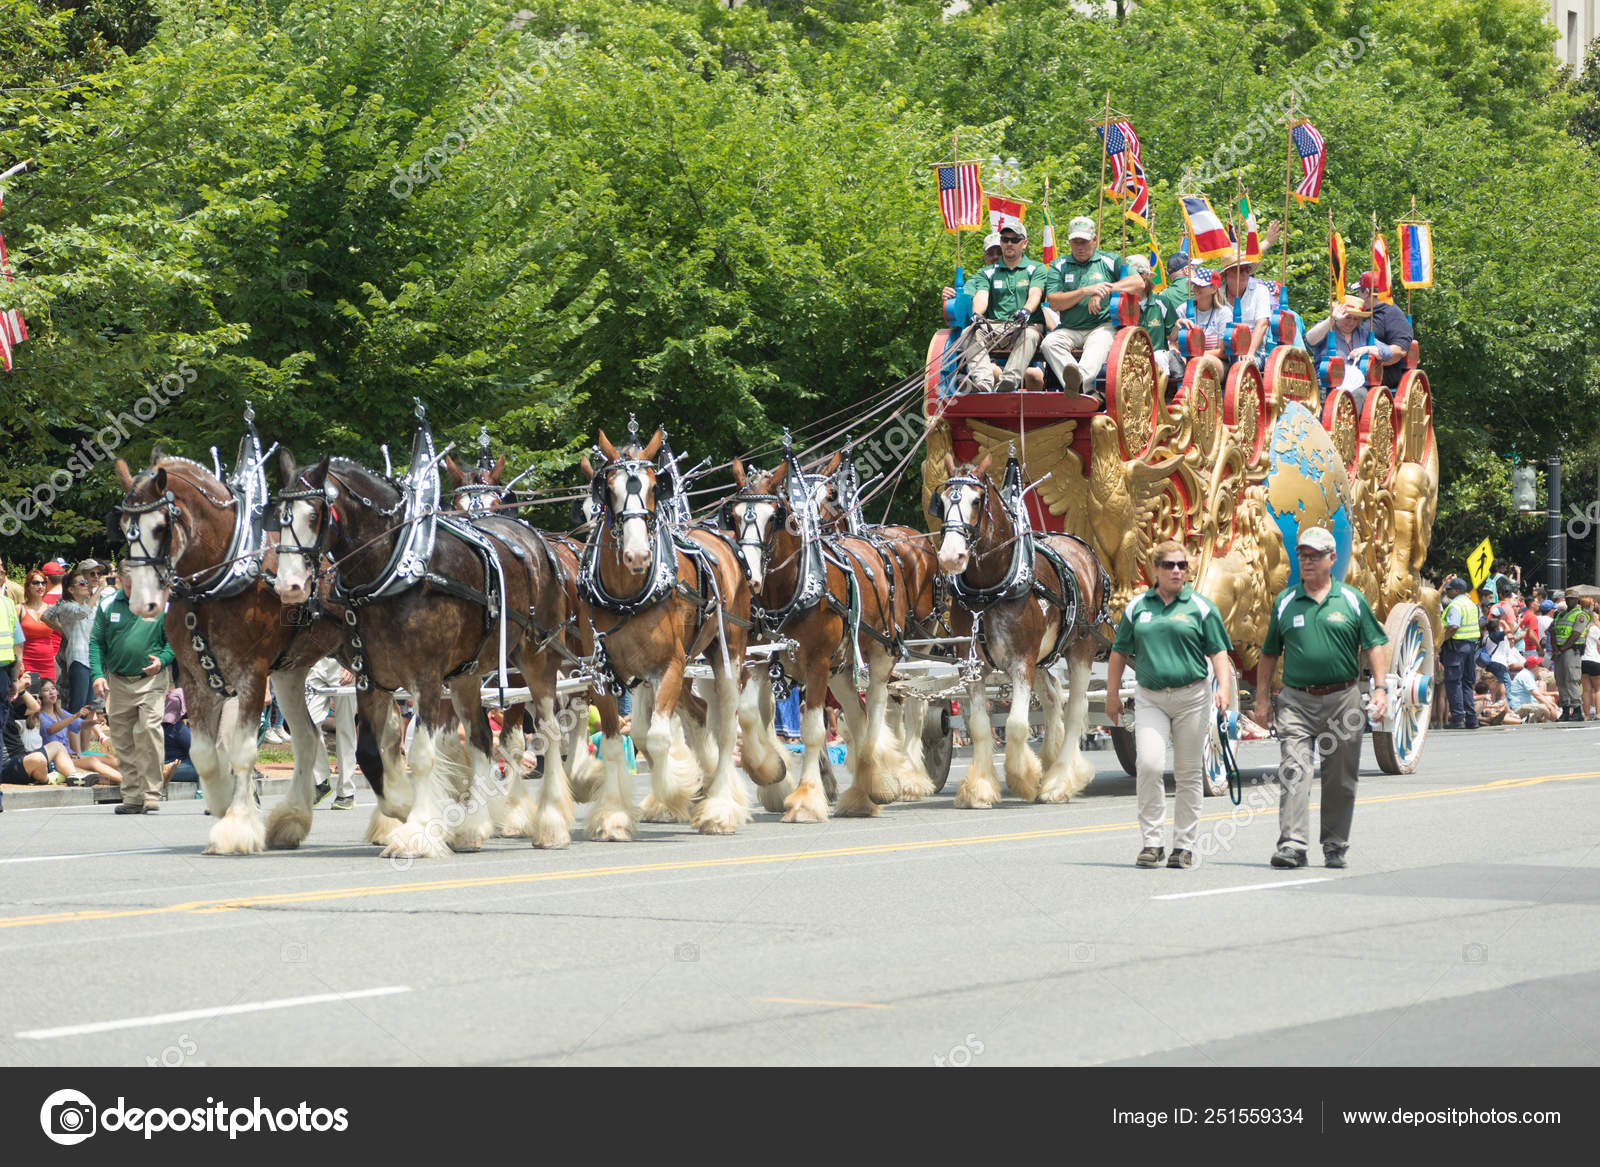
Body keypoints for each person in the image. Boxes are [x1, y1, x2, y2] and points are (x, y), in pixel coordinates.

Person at [1254, 525, 1388, 869]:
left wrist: (1381, 689)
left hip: (1343, 698)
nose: (1307, 561)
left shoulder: (1351, 600)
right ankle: (1292, 844)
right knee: (1294, 770)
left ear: (1332, 559)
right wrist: (1262, 699)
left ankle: (1334, 843)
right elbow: (1269, 653)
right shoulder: (1285, 601)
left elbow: (1374, 645)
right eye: (1303, 555)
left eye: (1315, 556)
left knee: (1340, 777)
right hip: (1296, 701)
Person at [1105, 539, 1233, 869]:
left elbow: (1219, 651)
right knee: (1148, 765)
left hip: (1192, 697)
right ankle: (1152, 843)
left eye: (1182, 566)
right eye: (1169, 565)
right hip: (1151, 697)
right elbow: (1119, 652)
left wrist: (1225, 689)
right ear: (1155, 569)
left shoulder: (1201, 608)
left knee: (1188, 773)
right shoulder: (1138, 608)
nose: (1176, 571)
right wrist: (1112, 694)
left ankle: (1184, 845)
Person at [90, 564, 175, 813]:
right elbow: (96, 642)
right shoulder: (107, 605)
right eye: (128, 585)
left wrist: (163, 660)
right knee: (123, 739)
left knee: (148, 730)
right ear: (119, 580)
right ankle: (132, 795)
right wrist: (97, 675)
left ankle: (152, 793)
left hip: (151, 681)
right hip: (118, 681)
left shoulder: (159, 604)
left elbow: (173, 640)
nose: (133, 590)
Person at [1040, 215, 1145, 400]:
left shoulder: (1110, 260)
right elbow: (1054, 302)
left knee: (1097, 346)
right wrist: (1085, 291)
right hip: (1068, 328)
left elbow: (1138, 283)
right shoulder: (1058, 265)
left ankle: (1078, 384)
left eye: (1084, 241)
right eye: (1075, 242)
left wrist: (1105, 288)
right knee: (1048, 343)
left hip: (1101, 326)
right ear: (1069, 241)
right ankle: (1084, 388)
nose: (1080, 247)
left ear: (1094, 240)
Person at [959, 217, 1047, 394]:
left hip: (1025, 325)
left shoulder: (1036, 268)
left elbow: (1035, 293)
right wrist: (976, 314)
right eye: (1005, 239)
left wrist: (1026, 310)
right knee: (967, 332)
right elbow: (982, 295)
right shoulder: (987, 272)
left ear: (1024, 243)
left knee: (1030, 333)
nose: (1009, 244)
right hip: (996, 326)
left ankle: (1007, 383)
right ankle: (983, 382)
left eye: (1015, 240)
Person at [42, 567, 96, 750]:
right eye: (82, 583)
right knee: (76, 707)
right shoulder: (67, 604)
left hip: (92, 660)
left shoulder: (89, 602)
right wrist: (64, 630)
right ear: (71, 589)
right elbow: (47, 616)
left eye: (86, 582)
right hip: (78, 659)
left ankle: (84, 750)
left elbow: (45, 616)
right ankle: (76, 752)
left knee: (88, 707)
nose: (86, 585)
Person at [306, 656, 359, 809]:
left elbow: (362, 632)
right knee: (307, 723)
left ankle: (346, 792)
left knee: (345, 728)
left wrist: (353, 665)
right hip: (316, 661)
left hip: (344, 661)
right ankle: (321, 780)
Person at [1354, 272, 1415, 389]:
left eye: (1359, 292)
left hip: (1379, 375)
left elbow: (1399, 350)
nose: (1358, 296)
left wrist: (1370, 351)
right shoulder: (1358, 313)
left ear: (1366, 292)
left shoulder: (1393, 314)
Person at [1216, 250, 1272, 368]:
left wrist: (1250, 352)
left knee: (1241, 364)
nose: (1244, 274)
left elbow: (1262, 324)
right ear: (1226, 273)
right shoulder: (1217, 294)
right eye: (1239, 270)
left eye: (1247, 270)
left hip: (1253, 352)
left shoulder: (1260, 290)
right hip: (1222, 352)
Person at [1438, 576, 1481, 729]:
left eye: (1449, 589)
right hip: (1470, 647)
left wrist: (1440, 641)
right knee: (1467, 683)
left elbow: (1453, 626)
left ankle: (1458, 718)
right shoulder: (1471, 604)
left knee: (1453, 682)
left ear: (1457, 591)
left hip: (1456, 647)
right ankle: (1472, 718)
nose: (1448, 591)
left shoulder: (1455, 605)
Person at [1549, 594, 1591, 721]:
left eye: (1572, 598)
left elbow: (1575, 634)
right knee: (1560, 679)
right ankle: (1566, 710)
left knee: (1571, 679)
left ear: (1577, 600)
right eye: (1567, 598)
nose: (1569, 600)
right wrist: (1556, 648)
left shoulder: (1581, 615)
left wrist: (1561, 649)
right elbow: (1553, 631)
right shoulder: (1560, 614)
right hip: (1559, 651)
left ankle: (1577, 710)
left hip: (1571, 651)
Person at [18, 568, 61, 683]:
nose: (40, 586)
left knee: (49, 697)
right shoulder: (20, 609)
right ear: (28, 586)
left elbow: (62, 633)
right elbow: (14, 638)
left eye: (43, 583)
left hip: (48, 662)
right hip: (26, 661)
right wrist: (18, 661)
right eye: (35, 583)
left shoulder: (51, 609)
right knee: (30, 696)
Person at [1506, 658, 1558, 723]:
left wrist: (1552, 703)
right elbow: (1536, 694)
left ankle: (1548, 723)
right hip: (1518, 707)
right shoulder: (1526, 675)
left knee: (1549, 699)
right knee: (1545, 708)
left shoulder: (1528, 674)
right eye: (1540, 665)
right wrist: (1550, 706)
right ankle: (1553, 725)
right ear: (1536, 667)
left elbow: (1538, 693)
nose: (1541, 668)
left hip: (1526, 704)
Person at [0, 557, 20, 689]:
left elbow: (18, 643)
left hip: (4, 671)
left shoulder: (7, 603)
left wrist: (14, 679)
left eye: (2, 566)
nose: (3, 570)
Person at [1582, 596, 1600, 721]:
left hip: (1582, 660)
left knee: (1586, 689)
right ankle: (1598, 713)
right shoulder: (1594, 628)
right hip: (1594, 659)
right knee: (1598, 688)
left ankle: (1587, 715)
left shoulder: (1580, 628)